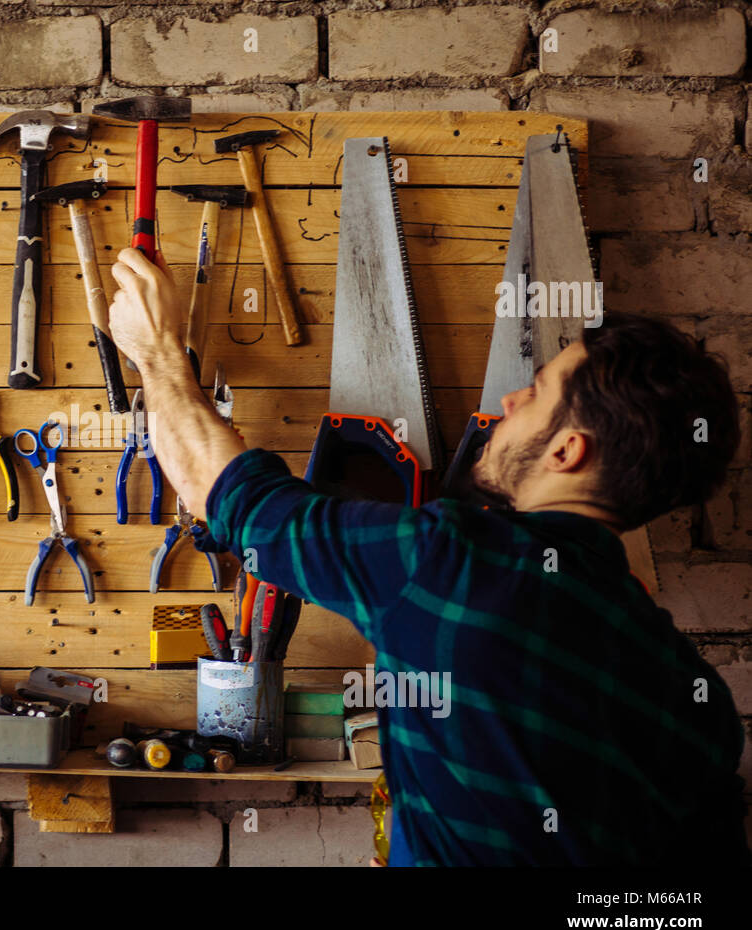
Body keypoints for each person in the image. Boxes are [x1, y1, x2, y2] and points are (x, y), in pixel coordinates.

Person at [106, 247, 749, 866]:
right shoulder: (697, 697)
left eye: (538, 392)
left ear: (567, 452)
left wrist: (157, 351)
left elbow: (233, 498)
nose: (508, 403)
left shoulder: (450, 566)